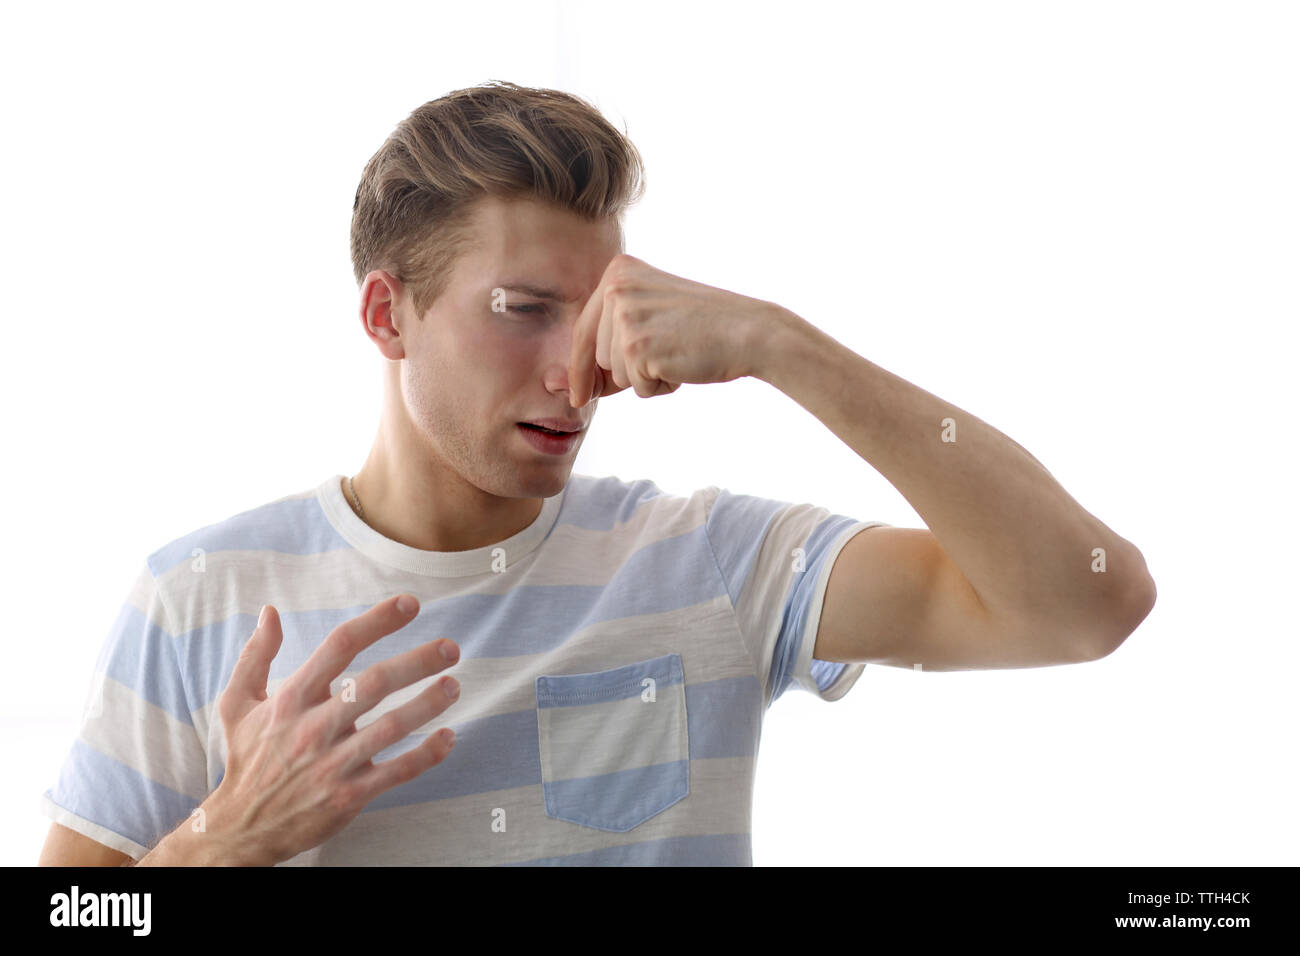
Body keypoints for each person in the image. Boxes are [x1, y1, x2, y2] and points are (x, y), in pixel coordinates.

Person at [38, 80, 1156, 867]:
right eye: (525, 312)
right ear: (388, 314)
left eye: (603, 313)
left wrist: (785, 344)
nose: (585, 369)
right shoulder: (202, 595)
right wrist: (214, 843)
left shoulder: (709, 563)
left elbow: (1088, 599)